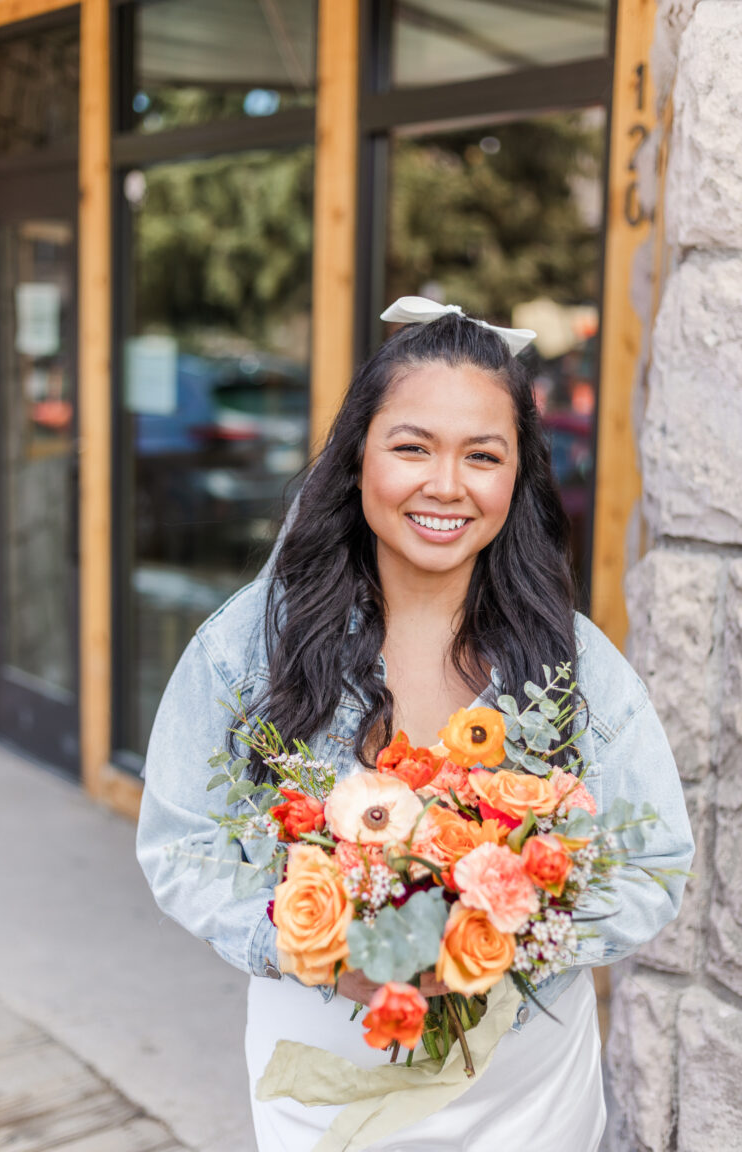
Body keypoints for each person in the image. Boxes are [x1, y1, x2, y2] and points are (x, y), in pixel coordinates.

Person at [136, 297, 695, 1152]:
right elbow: (180, 845)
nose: (446, 485)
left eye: (482, 455)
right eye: (412, 447)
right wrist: (302, 941)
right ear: (358, 459)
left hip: (527, 1096)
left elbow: (655, 862)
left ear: (517, 475)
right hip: (326, 1084)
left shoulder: (573, 664)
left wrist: (512, 935)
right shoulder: (252, 648)